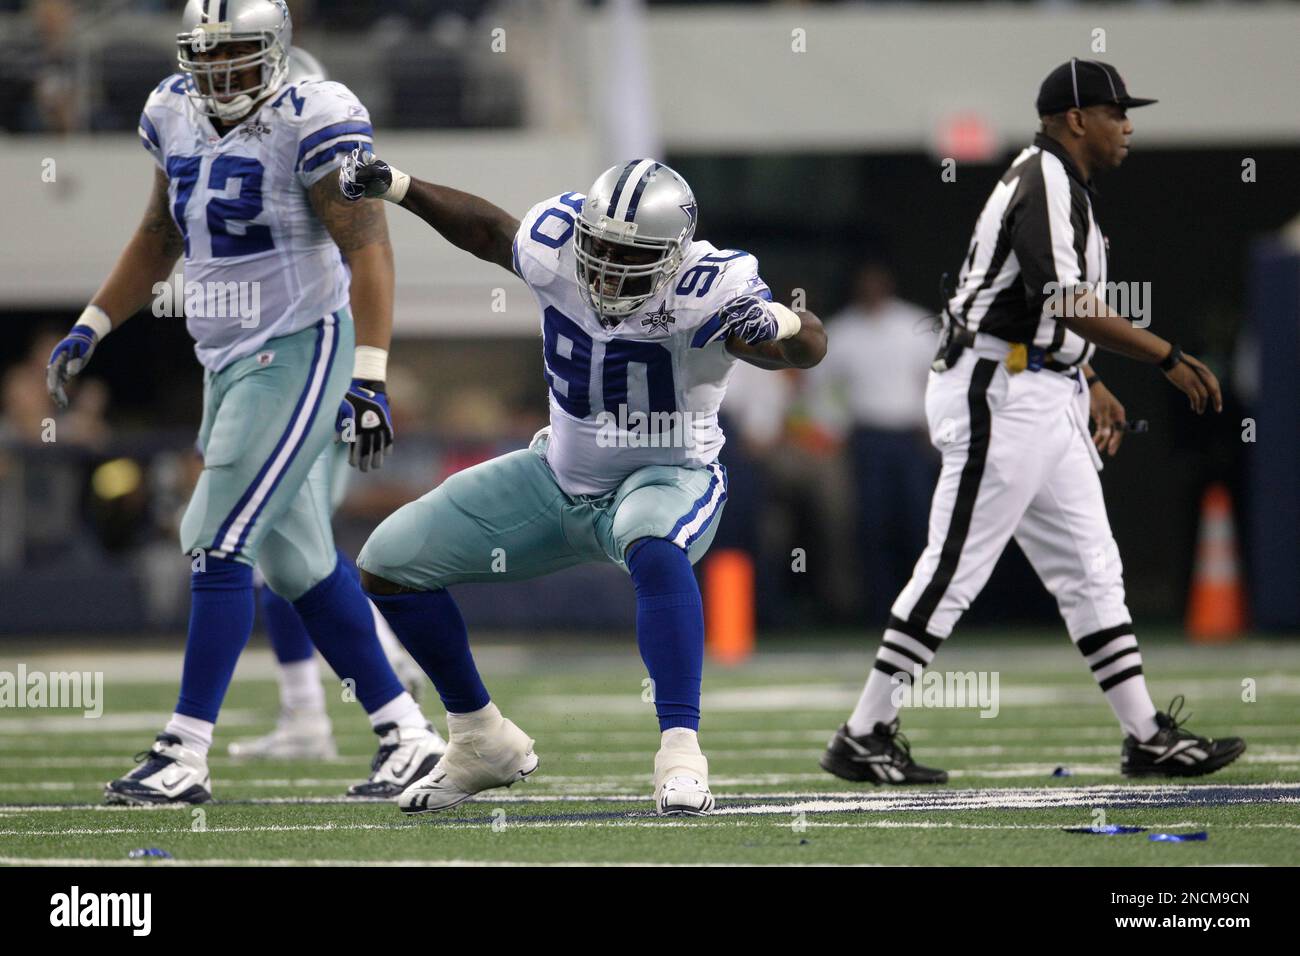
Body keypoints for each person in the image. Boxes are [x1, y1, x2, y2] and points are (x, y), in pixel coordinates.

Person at [339, 153, 827, 815]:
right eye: (600, 249)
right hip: (559, 477)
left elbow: (807, 346)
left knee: (651, 539)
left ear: (673, 257)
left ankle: (681, 754)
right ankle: (480, 738)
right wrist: (402, 187)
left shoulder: (711, 285)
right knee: (390, 560)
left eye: (630, 257)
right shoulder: (557, 244)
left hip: (669, 477)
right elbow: (489, 231)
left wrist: (782, 323)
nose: (606, 270)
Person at [45, 0, 443, 805]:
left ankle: (184, 748)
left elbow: (368, 248)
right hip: (225, 360)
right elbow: (159, 236)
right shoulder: (172, 111)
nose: (221, 70)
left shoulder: (312, 116)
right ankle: (408, 734)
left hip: (299, 346)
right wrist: (94, 322)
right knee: (296, 563)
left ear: (277, 49)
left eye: (238, 52)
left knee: (216, 539)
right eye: (208, 53)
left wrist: (369, 377)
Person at [821, 59, 1245, 784]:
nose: (1127, 126)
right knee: (955, 565)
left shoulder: (1060, 183)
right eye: (1115, 112)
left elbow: (1041, 308)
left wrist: (1088, 376)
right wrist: (1166, 356)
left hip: (1039, 387)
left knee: (1091, 568)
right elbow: (1064, 301)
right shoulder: (1044, 178)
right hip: (1000, 389)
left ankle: (1145, 734)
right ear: (1076, 119)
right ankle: (863, 732)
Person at [810, 261, 938, 623]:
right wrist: (832, 429)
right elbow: (819, 386)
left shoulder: (914, 324)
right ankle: (879, 608)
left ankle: (925, 605)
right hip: (866, 438)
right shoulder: (842, 331)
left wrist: (932, 423)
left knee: (918, 518)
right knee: (871, 523)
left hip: (910, 436)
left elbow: (938, 376)